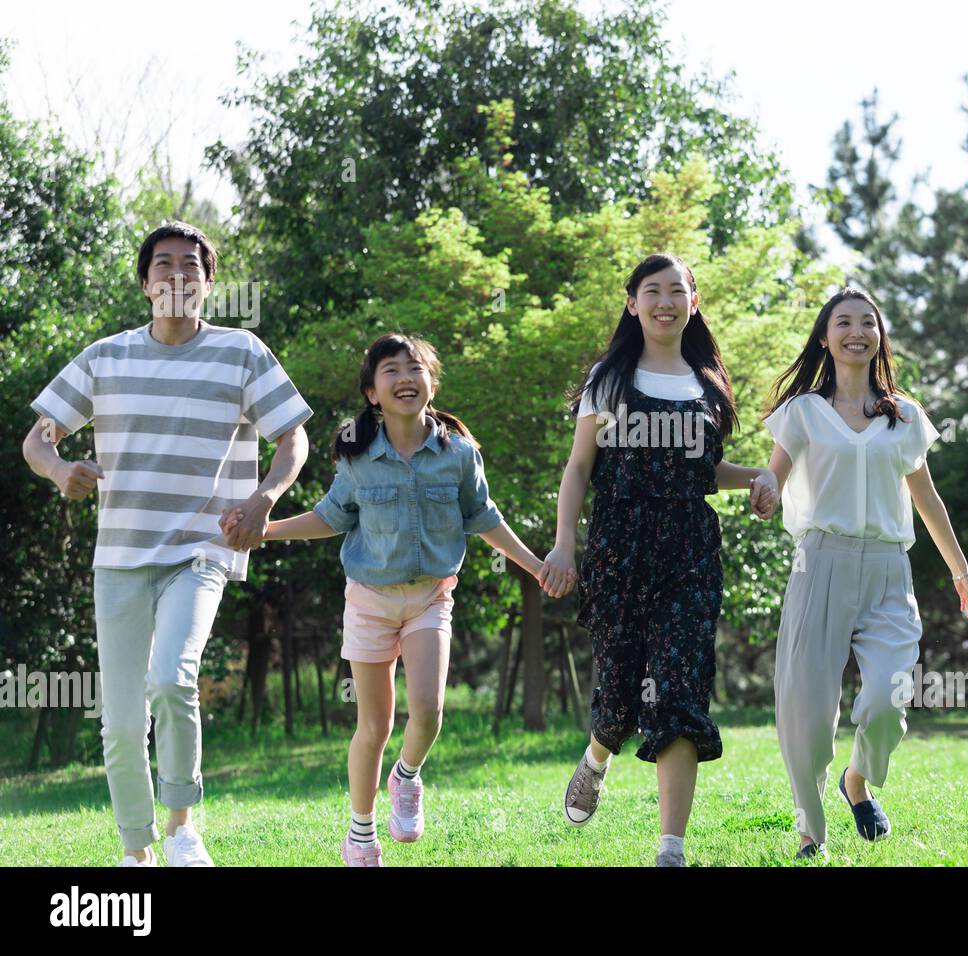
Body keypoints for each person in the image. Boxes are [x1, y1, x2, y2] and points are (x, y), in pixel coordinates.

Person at [23, 221, 312, 866]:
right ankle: (136, 853)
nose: (177, 275)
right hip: (121, 557)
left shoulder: (242, 353)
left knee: (172, 678)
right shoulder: (106, 358)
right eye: (164, 265)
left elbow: (293, 439)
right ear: (147, 282)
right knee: (121, 722)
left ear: (209, 283)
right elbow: (37, 439)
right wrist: (57, 469)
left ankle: (182, 829)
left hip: (201, 548)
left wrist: (263, 499)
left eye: (191, 265)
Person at [224, 332, 550, 867]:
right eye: (391, 371)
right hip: (369, 600)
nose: (404, 378)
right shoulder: (357, 456)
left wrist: (536, 566)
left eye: (415, 368)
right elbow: (331, 517)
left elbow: (485, 517)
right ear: (372, 392)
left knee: (428, 709)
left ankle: (407, 777)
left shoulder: (458, 454)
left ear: (431, 383)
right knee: (373, 726)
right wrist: (268, 529)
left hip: (430, 597)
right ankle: (360, 833)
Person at [538, 252, 775, 867]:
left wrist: (766, 477)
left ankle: (670, 849)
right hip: (618, 547)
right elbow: (579, 467)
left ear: (693, 303)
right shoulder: (608, 380)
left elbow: (704, 470)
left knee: (678, 692)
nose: (665, 301)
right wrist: (564, 545)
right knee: (619, 699)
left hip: (690, 552)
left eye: (677, 291)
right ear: (632, 302)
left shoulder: (707, 384)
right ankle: (598, 755)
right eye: (653, 291)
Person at [751, 286, 968, 861]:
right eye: (843, 322)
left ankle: (857, 781)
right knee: (805, 715)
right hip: (819, 565)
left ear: (878, 336)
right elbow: (775, 476)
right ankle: (811, 833)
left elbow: (927, 499)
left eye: (867, 323)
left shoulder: (904, 417)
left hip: (887, 571)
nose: (856, 331)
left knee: (886, 700)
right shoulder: (803, 412)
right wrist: (764, 492)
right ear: (826, 337)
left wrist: (961, 571)